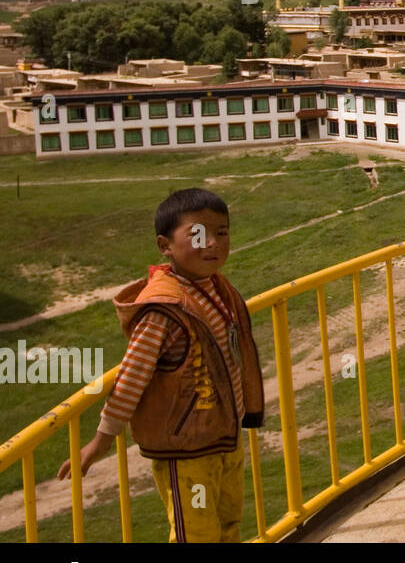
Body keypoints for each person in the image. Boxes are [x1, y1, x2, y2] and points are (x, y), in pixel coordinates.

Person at [57, 188, 265, 543]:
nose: (212, 243)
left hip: (222, 438)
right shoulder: (163, 310)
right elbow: (132, 377)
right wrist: (102, 441)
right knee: (196, 535)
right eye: (198, 234)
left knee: (229, 524)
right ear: (164, 245)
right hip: (186, 450)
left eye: (222, 232)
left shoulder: (214, 286)